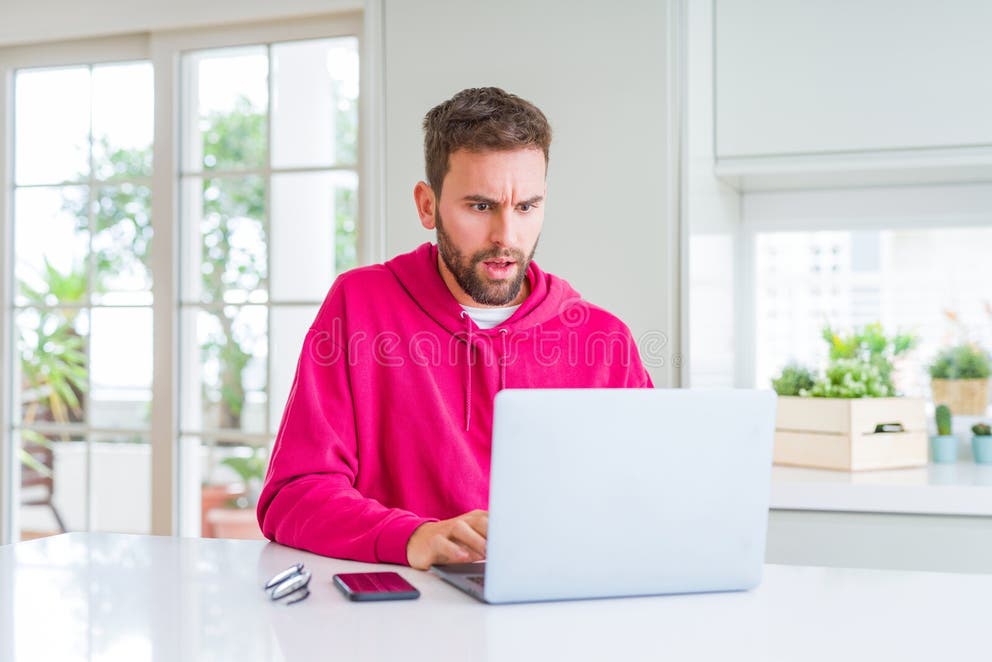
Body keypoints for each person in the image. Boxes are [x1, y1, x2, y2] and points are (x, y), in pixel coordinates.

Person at [257, 87, 653, 570]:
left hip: (558, 617)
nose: (506, 236)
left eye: (526, 207)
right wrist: (412, 536)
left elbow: (645, 502)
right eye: (480, 206)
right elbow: (293, 497)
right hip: (400, 618)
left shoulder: (604, 340)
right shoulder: (359, 307)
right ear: (428, 205)